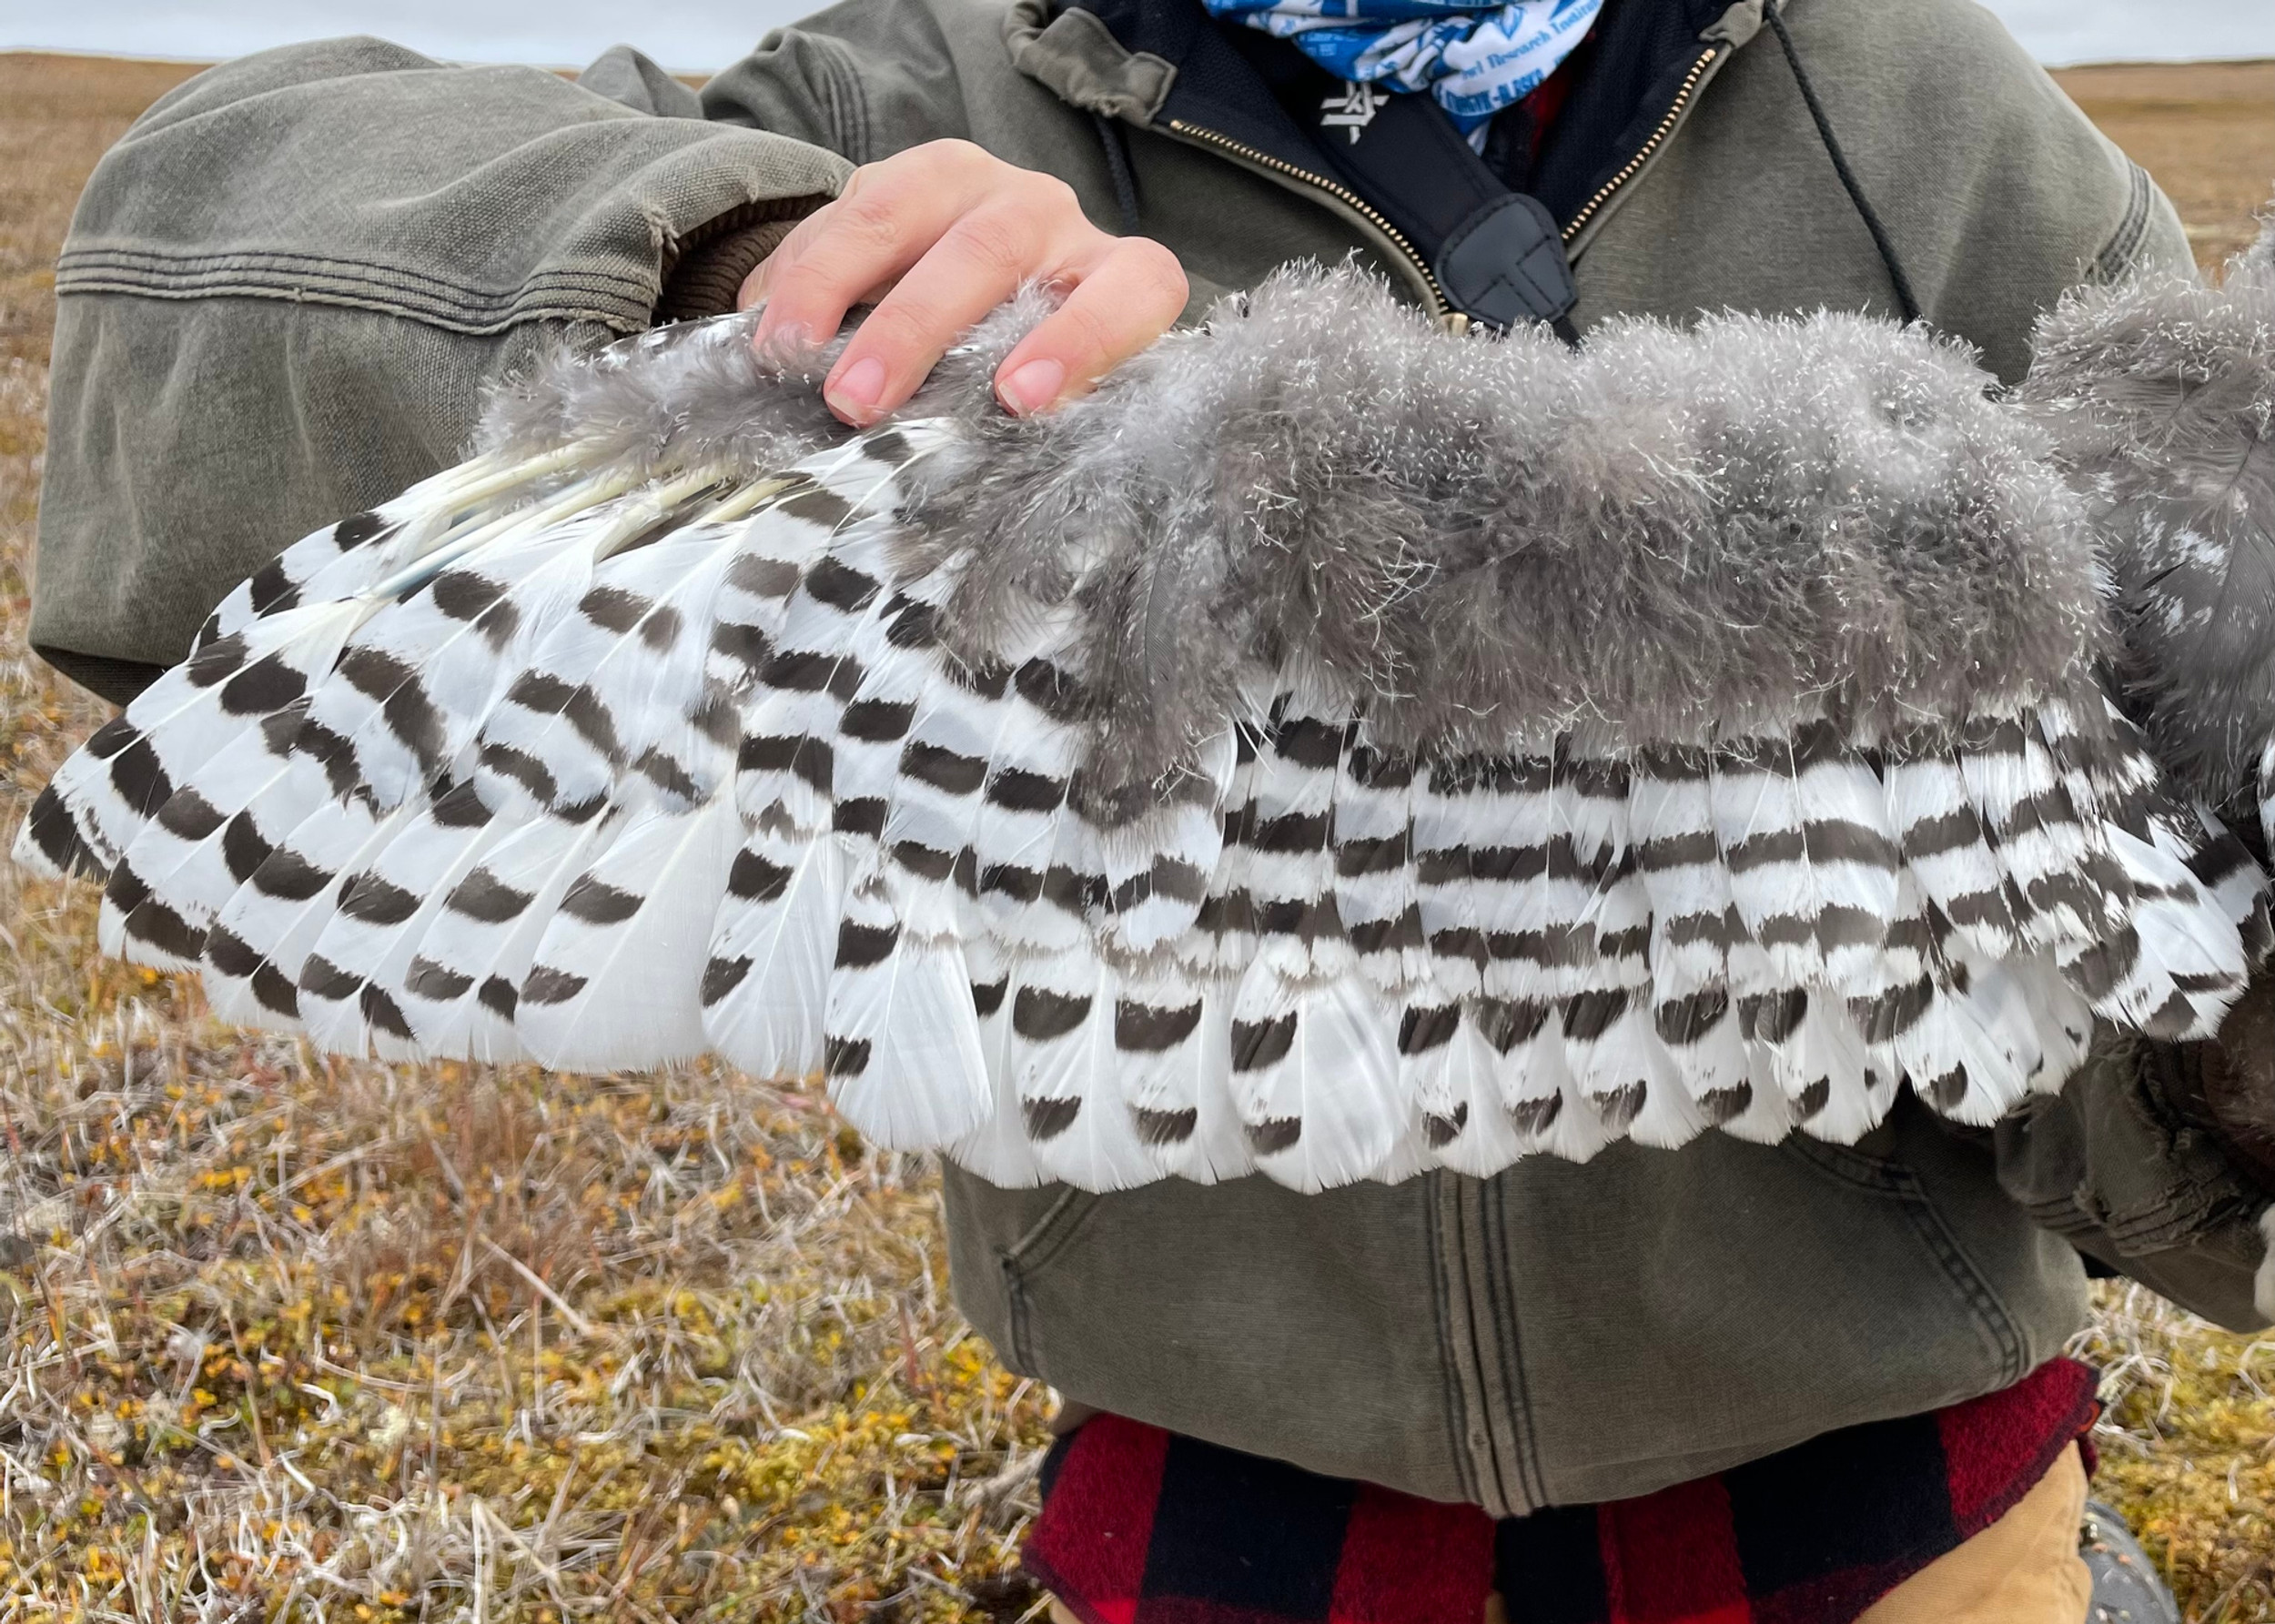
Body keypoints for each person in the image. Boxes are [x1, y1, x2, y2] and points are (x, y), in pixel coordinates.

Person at [30, 1, 2275, 1617]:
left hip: (1895, 1519)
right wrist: (744, 289)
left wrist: (2227, 1051)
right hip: (1231, 1518)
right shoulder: (934, 86)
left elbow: (2123, 998)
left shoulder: (1943, 134)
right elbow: (195, 252)